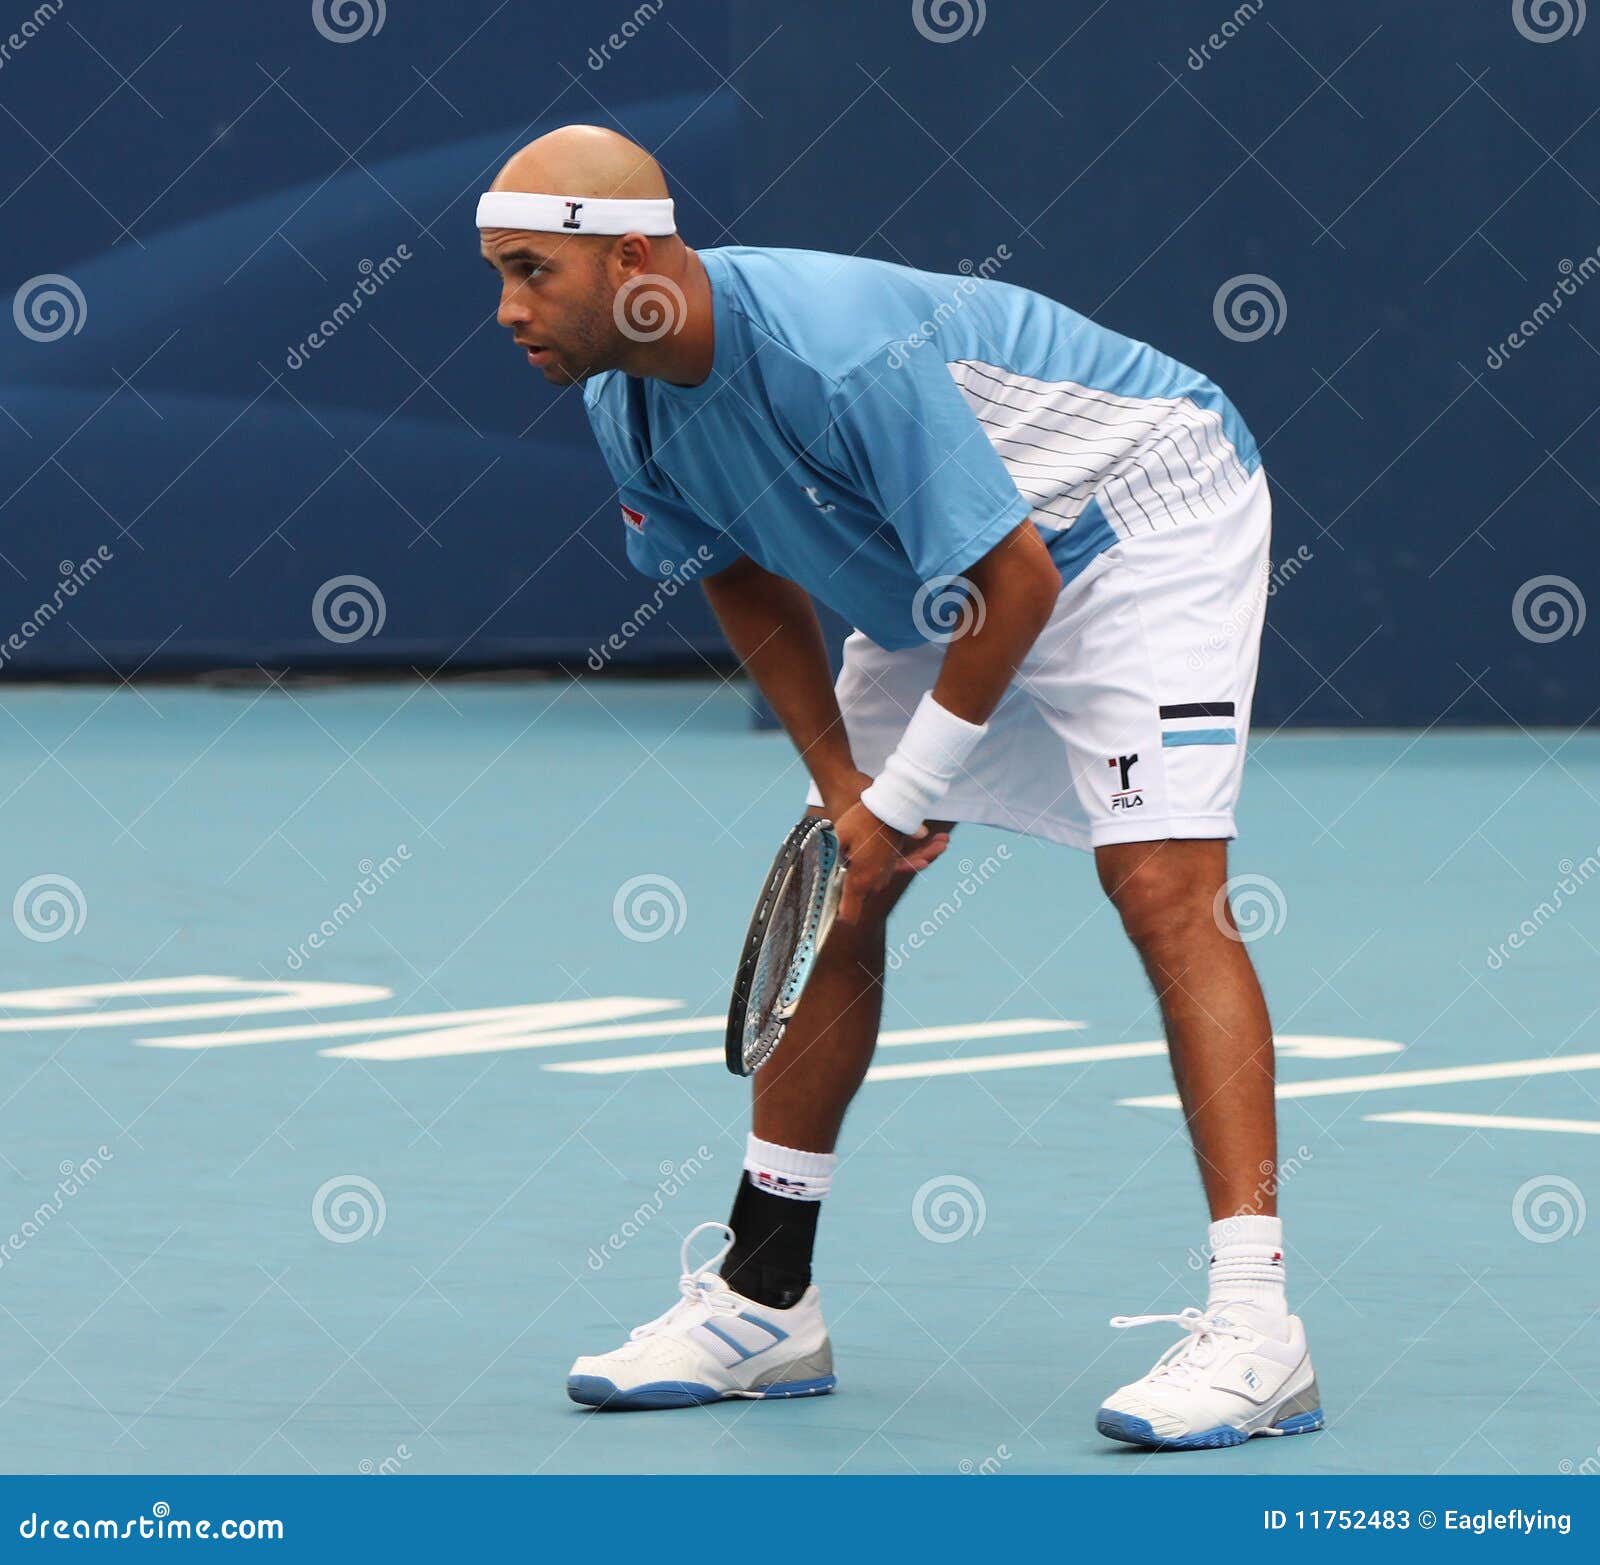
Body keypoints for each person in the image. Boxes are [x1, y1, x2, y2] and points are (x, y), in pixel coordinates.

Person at [477, 124, 1322, 1450]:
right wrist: (846, 789)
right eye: (500, 276)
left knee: (1164, 887)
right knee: (839, 890)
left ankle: (1260, 1331)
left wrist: (903, 791)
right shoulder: (620, 390)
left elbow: (1018, 578)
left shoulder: (830, 348)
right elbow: (735, 567)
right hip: (948, 563)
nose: (509, 311)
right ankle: (763, 1298)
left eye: (532, 272)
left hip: (1132, 516)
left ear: (631, 258)